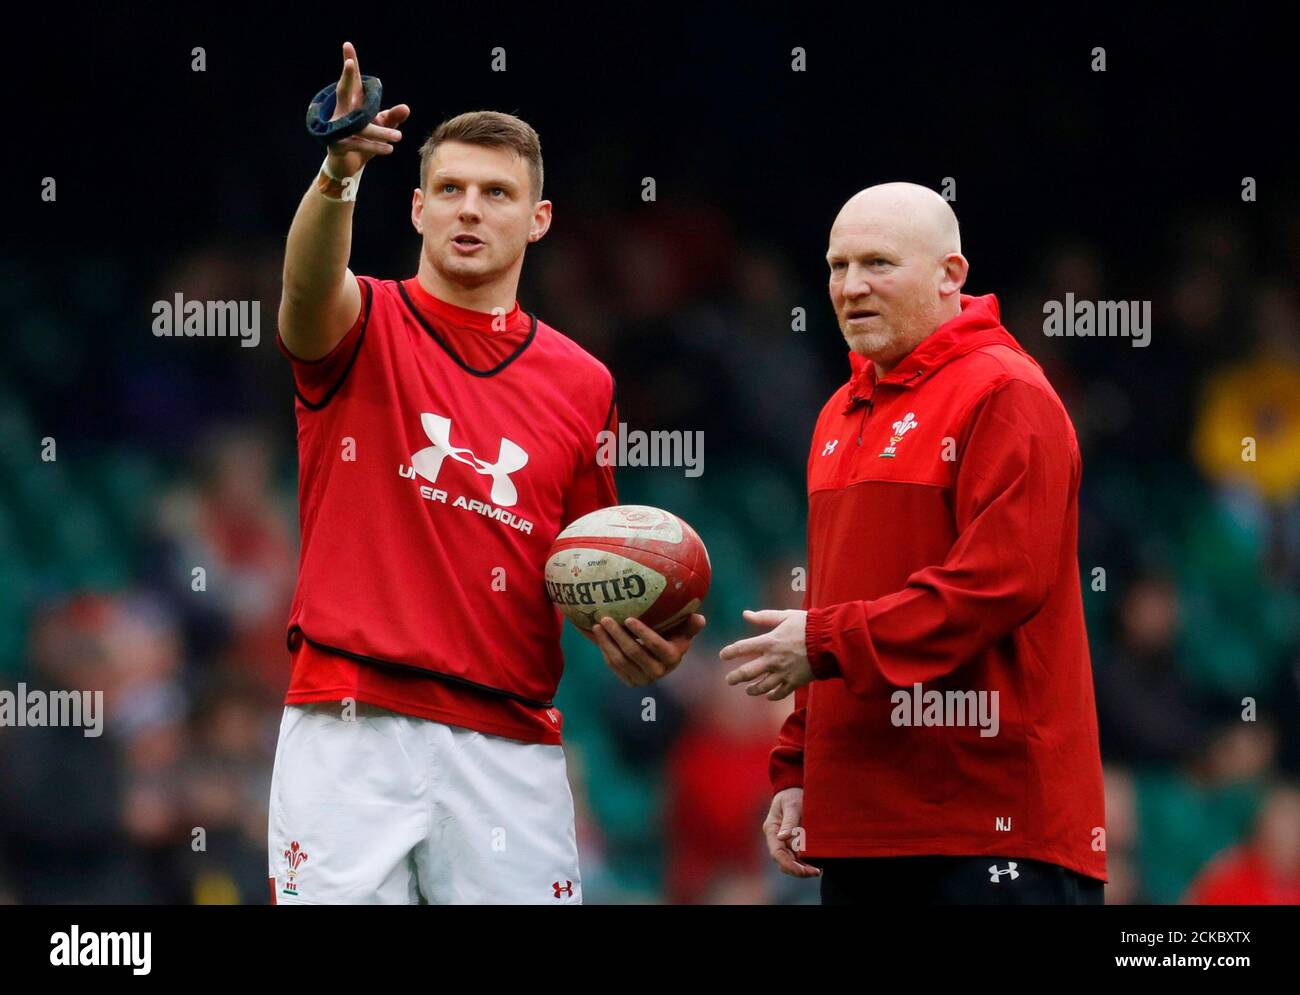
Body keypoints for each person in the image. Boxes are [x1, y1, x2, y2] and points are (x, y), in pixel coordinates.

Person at [269, 42, 704, 905]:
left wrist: (643, 634)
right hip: (351, 724)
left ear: (538, 219)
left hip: (509, 743)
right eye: (454, 191)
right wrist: (338, 172)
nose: (473, 210)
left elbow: (585, 567)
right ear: (420, 208)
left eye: (498, 193)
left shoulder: (584, 382)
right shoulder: (364, 320)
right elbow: (307, 285)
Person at [720, 182, 1107, 904]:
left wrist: (825, 640)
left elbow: (1000, 583)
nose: (850, 287)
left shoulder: (1006, 392)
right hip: (865, 828)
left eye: (878, 264)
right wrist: (800, 767)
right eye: (837, 267)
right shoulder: (839, 411)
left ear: (950, 275)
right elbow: (830, 610)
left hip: (990, 827)